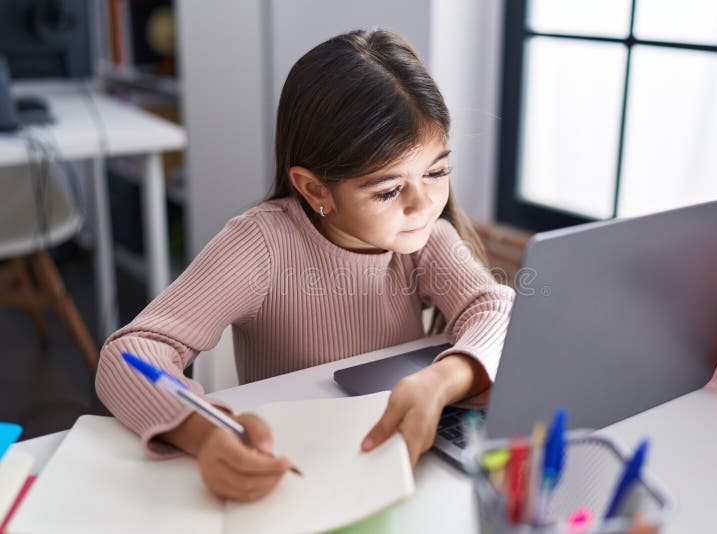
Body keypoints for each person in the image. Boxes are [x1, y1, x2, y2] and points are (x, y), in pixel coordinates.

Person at [95, 28, 515, 502]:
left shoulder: (423, 241)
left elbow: (497, 308)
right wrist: (203, 432)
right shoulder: (260, 245)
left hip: (390, 463)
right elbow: (131, 353)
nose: (424, 204)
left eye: (436, 171)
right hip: (296, 471)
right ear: (316, 190)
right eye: (389, 189)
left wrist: (443, 378)